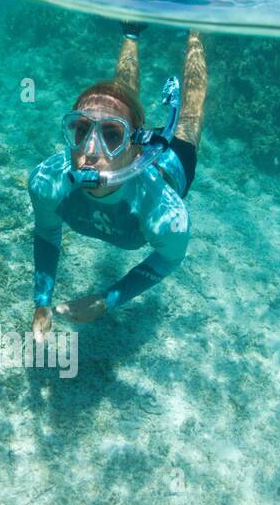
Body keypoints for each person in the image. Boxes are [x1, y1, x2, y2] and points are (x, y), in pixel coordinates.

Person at [28, 23, 208, 341]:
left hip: (172, 166)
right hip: (135, 150)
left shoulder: (165, 217)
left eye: (111, 136)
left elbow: (168, 258)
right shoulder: (46, 184)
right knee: (120, 102)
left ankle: (195, 30)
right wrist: (42, 302)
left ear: (136, 147)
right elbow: (45, 231)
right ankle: (131, 31)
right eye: (82, 130)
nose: (90, 151)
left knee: (189, 120)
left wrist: (107, 300)